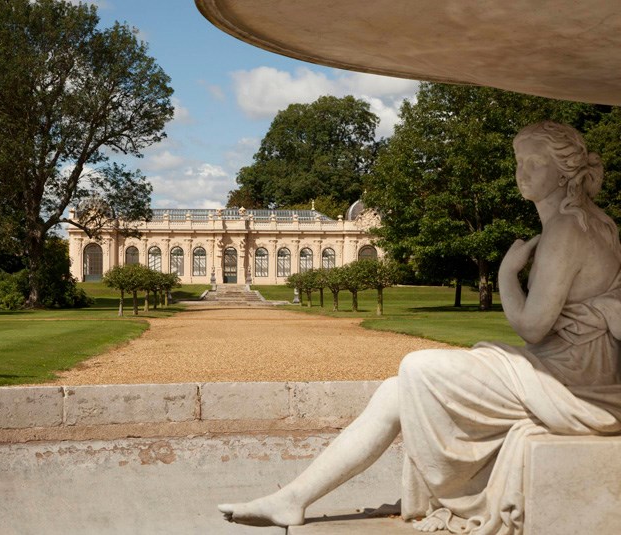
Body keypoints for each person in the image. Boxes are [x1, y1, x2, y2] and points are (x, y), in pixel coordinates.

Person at [219, 121, 621, 534]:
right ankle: (292, 499)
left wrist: (506, 276)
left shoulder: (567, 229)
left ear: (564, 169)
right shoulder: (590, 223)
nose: (522, 173)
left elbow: (534, 328)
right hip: (570, 368)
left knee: (417, 366)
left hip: (571, 380)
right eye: (519, 161)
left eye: (534, 162)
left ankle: (435, 490)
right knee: (397, 391)